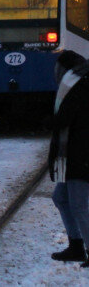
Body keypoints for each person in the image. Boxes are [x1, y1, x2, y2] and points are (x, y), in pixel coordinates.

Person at [49, 50, 89, 264]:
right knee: (61, 198)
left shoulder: (79, 89)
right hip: (72, 157)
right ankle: (76, 246)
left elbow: (66, 122)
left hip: (80, 157)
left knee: (79, 204)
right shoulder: (74, 87)